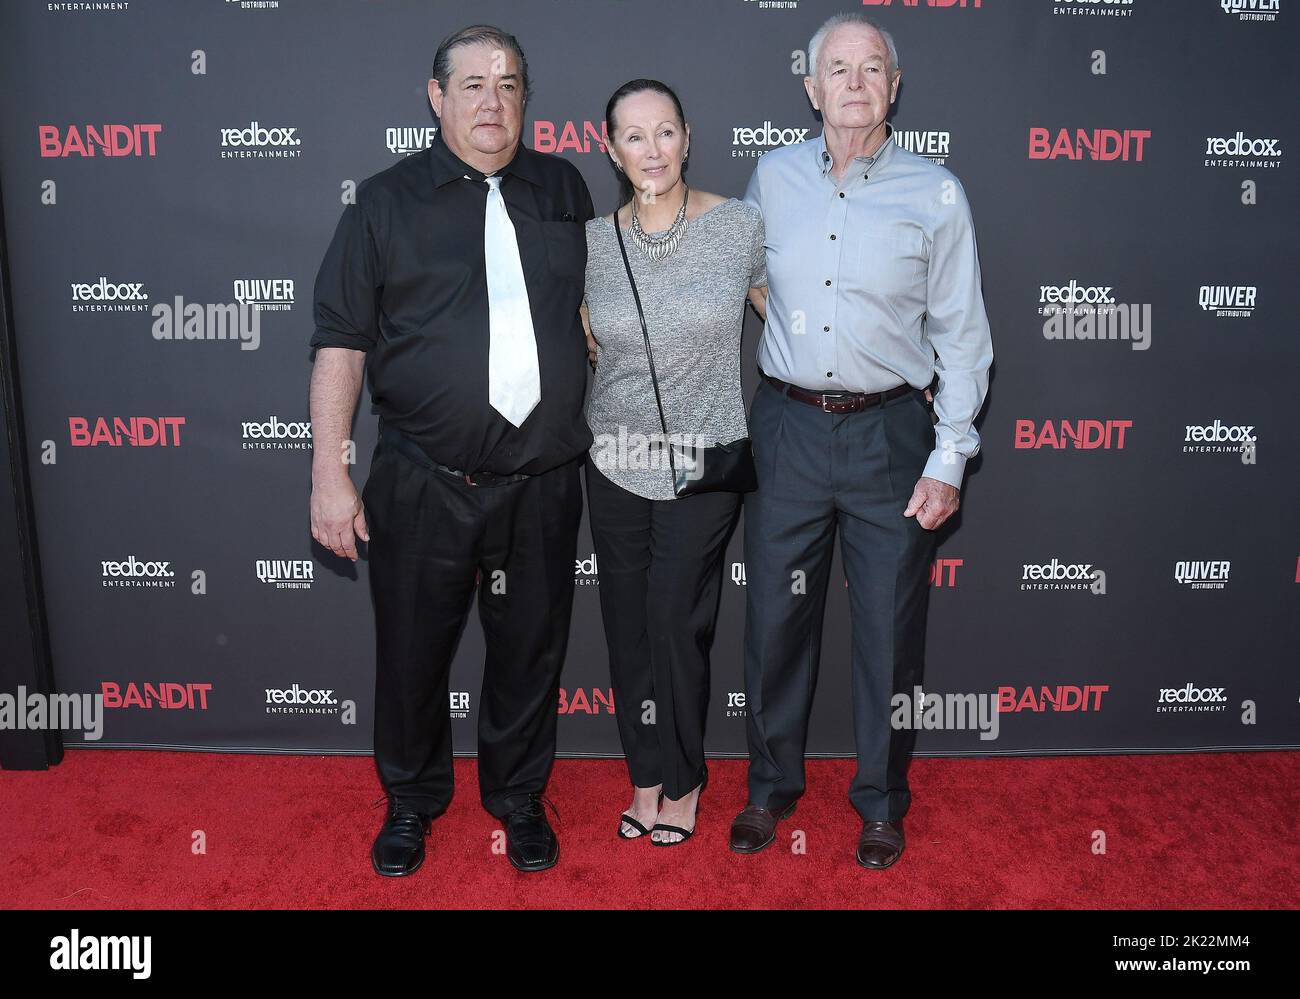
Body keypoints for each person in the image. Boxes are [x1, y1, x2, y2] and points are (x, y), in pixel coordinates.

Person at [308, 24, 594, 876]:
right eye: (471, 84)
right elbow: (342, 342)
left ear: (524, 100)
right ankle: (410, 801)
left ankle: (518, 797)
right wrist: (331, 471)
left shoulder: (564, 187)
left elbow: (593, 311)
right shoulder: (384, 204)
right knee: (409, 653)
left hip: (541, 479)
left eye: (507, 84)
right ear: (436, 98)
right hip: (423, 479)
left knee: (531, 650)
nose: (491, 101)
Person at [731, 12, 993, 868]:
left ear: (894, 84)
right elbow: (751, 282)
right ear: (808, 88)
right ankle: (770, 788)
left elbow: (963, 336)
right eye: (835, 69)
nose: (853, 82)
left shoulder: (936, 192)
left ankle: (881, 800)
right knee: (774, 619)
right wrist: (814, 353)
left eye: (869, 67)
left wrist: (949, 455)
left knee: (888, 627)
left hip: (892, 434)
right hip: (789, 429)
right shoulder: (770, 178)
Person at [579, 79, 766, 845]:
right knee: (626, 626)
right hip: (614, 457)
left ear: (688, 137)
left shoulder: (741, 226)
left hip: (703, 457)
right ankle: (645, 774)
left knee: (674, 622)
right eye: (633, 136)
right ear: (610, 148)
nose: (650, 150)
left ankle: (686, 779)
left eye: (664, 133)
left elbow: (791, 317)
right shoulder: (591, 242)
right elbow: (581, 338)